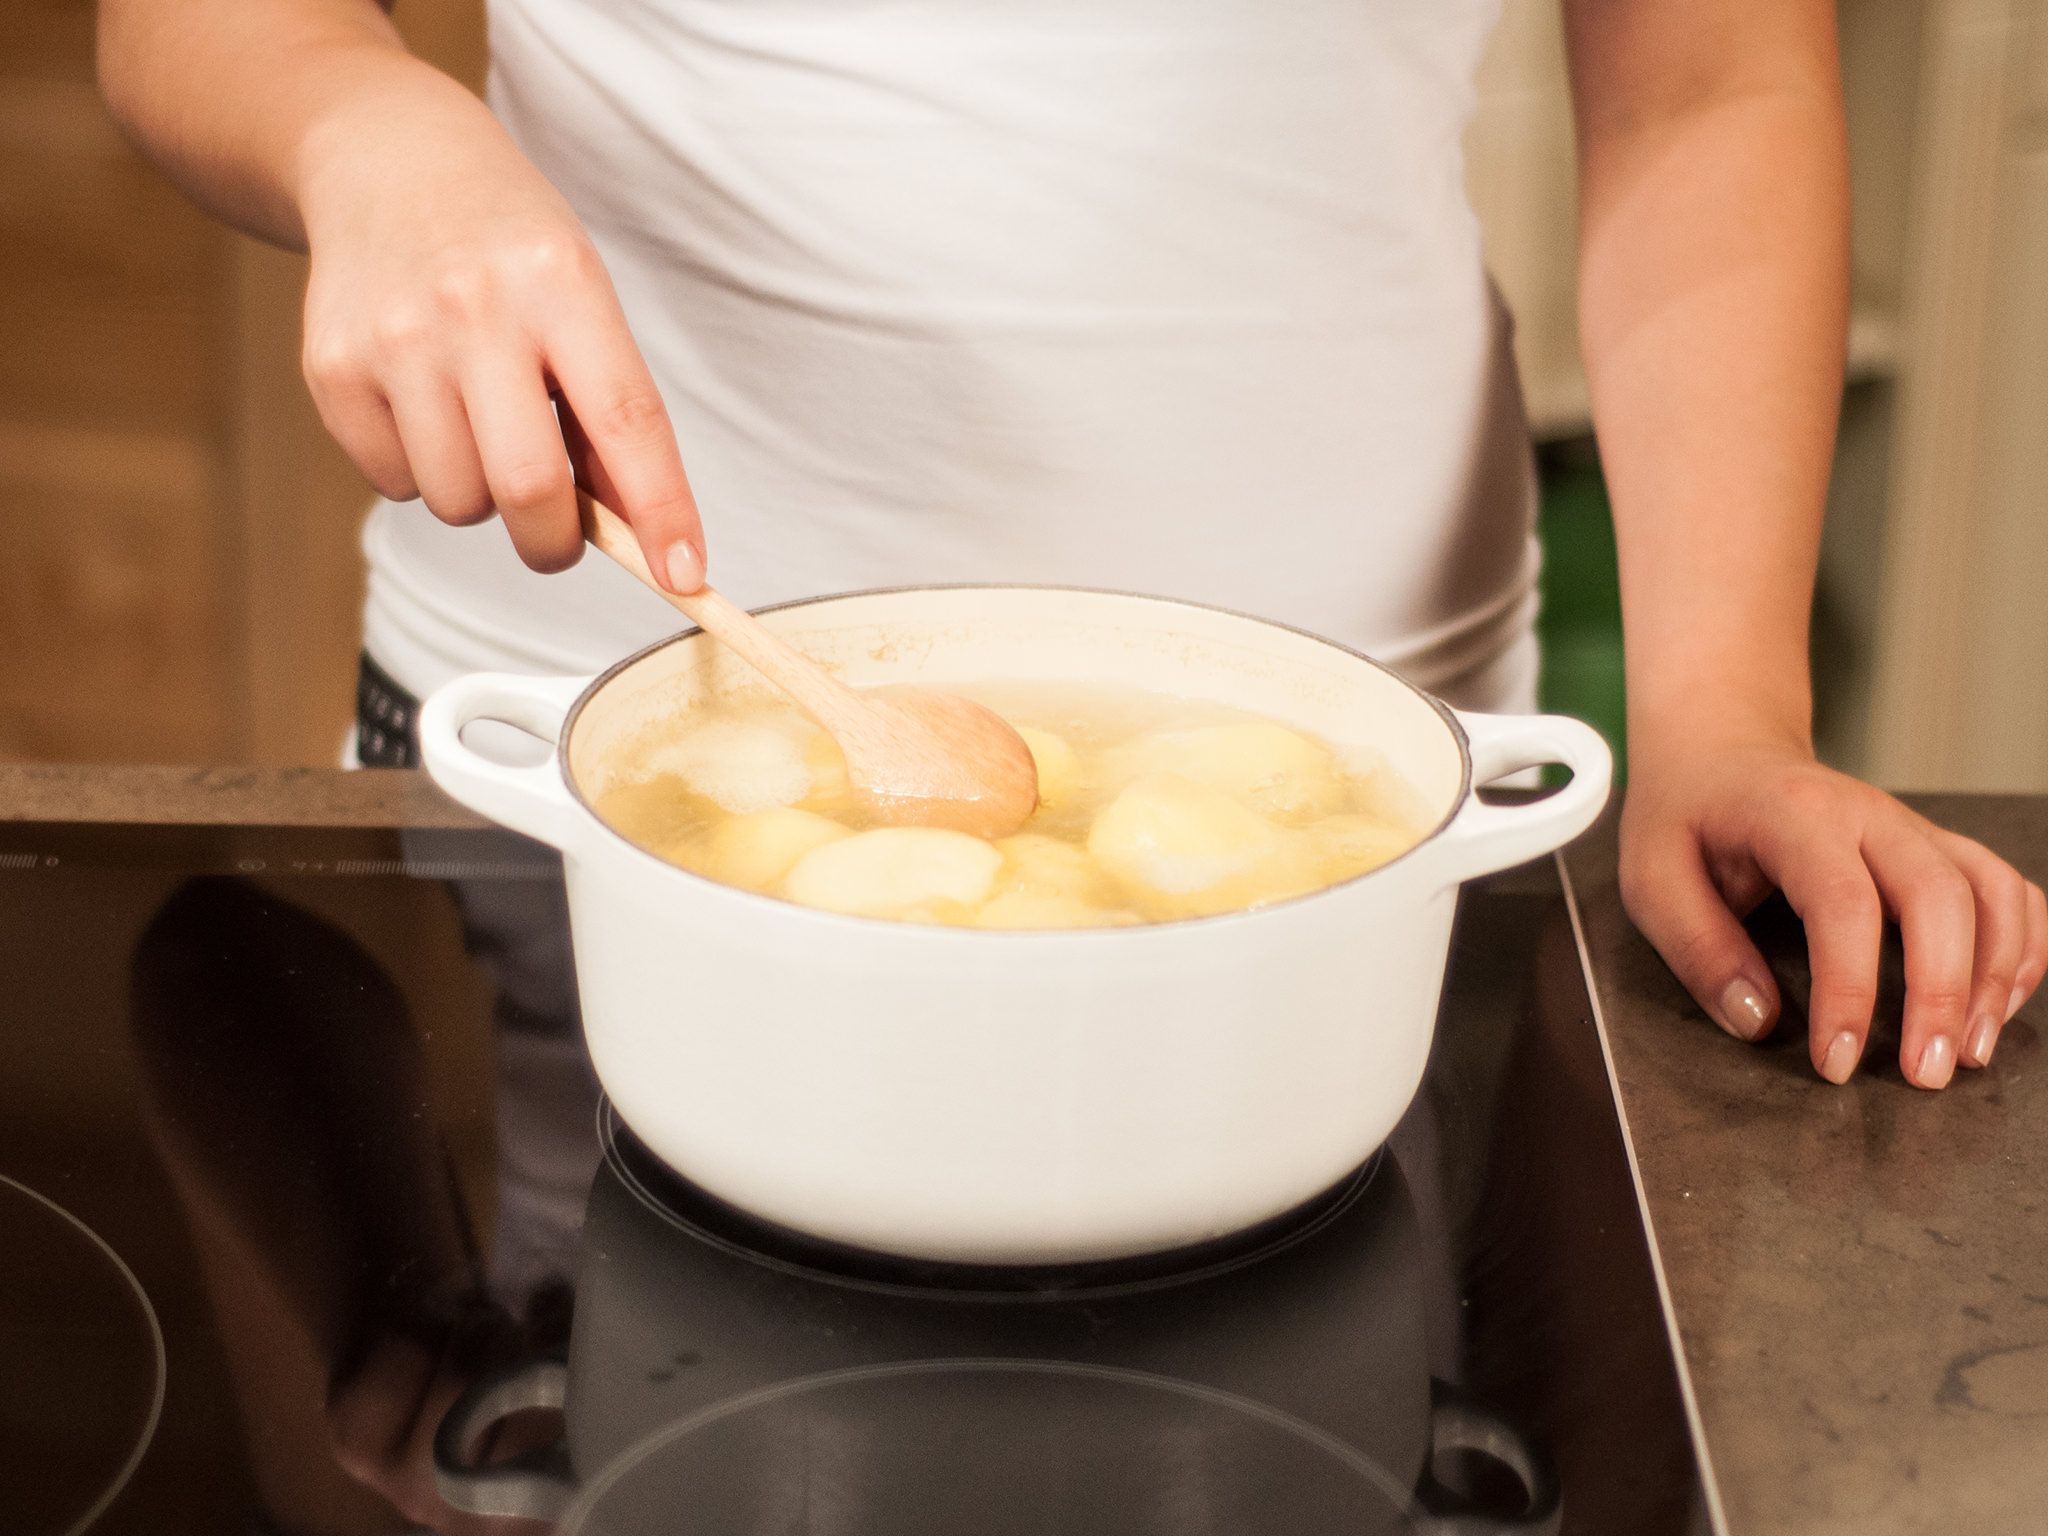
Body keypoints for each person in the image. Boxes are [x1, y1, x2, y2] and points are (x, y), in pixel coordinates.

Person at [100, 0, 2045, 1088]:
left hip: (1383, 815)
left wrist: (1720, 710)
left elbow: (1704, 79)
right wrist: (357, 123)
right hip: (564, 777)